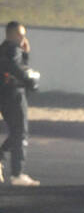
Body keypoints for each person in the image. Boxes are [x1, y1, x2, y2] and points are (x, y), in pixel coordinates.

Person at [0, 21, 39, 186]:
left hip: (5, 96)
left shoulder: (4, 49)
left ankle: (2, 156)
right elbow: (17, 67)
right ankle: (17, 174)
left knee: (16, 132)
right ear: (13, 35)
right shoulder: (13, 49)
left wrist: (25, 54)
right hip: (14, 95)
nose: (24, 38)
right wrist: (30, 78)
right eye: (21, 34)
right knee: (21, 132)